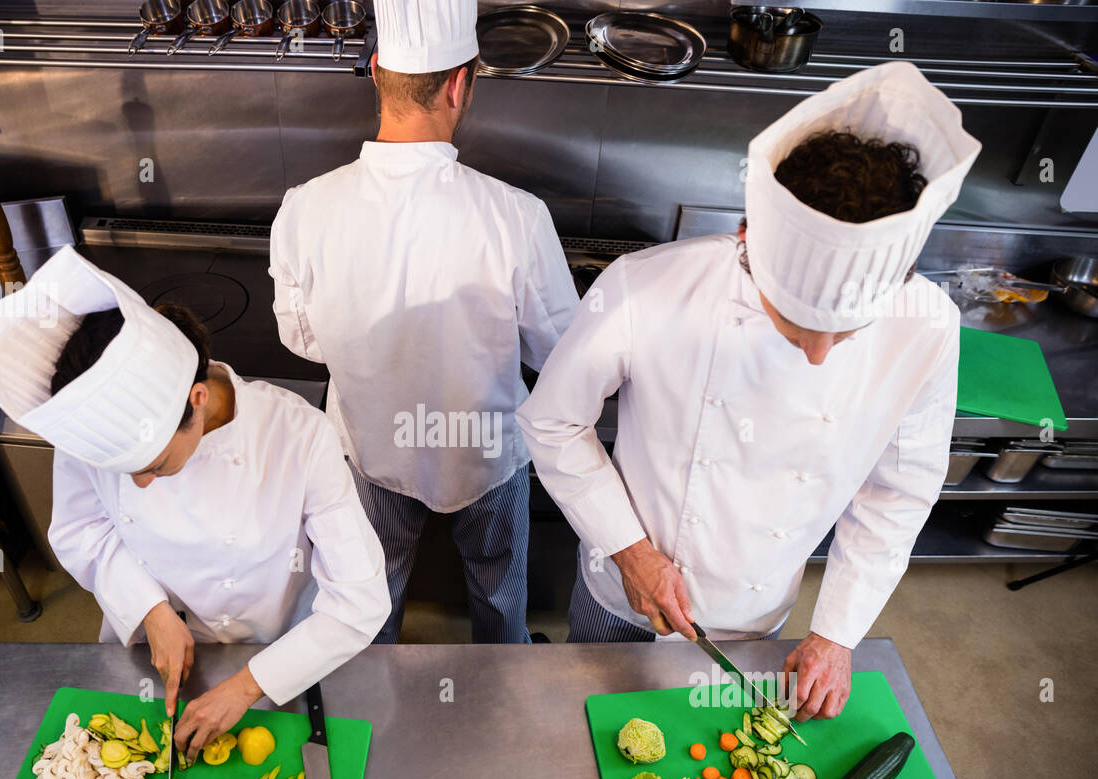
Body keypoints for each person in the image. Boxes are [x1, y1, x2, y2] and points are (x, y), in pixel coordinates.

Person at [517, 62, 981, 719]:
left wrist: (836, 630)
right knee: (580, 720)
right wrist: (630, 549)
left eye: (843, 334)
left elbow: (897, 490)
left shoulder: (929, 327)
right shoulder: (646, 287)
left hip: (760, 608)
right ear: (746, 242)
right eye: (795, 329)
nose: (819, 357)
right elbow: (552, 422)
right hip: (620, 590)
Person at [0, 246, 390, 759]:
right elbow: (83, 530)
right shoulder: (97, 429)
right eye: (129, 473)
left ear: (198, 399)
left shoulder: (299, 435)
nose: (141, 485)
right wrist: (150, 609)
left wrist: (244, 687)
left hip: (273, 651)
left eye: (157, 466)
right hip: (148, 648)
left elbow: (360, 600)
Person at [268, 0, 579, 645]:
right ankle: (502, 684)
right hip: (486, 458)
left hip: (369, 451)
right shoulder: (518, 216)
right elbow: (562, 356)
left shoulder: (303, 208)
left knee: (367, 610)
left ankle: (367, 718)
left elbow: (300, 340)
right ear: (461, 82)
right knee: (499, 604)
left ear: (377, 69)